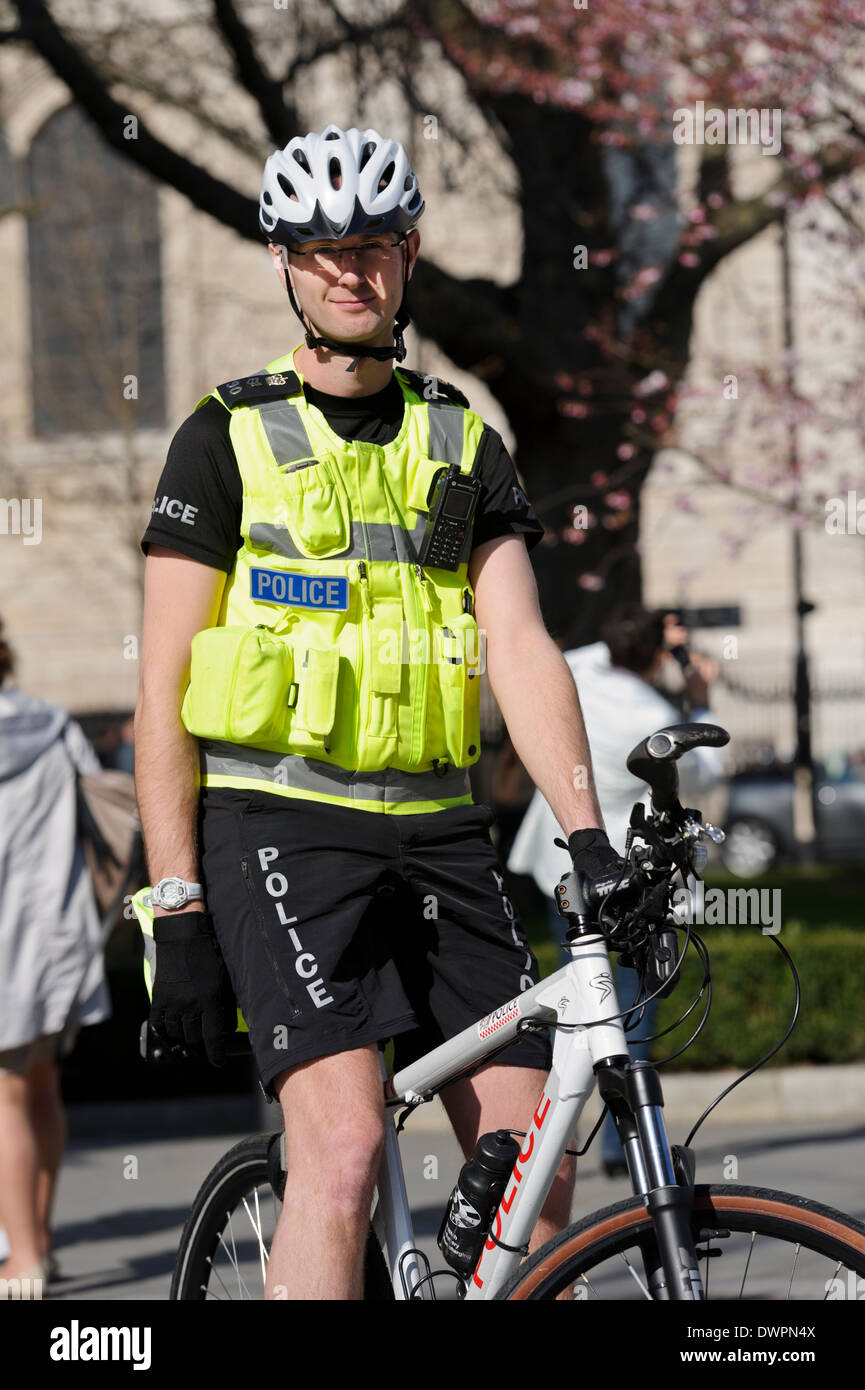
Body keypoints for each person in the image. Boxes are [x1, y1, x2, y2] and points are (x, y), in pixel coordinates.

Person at [134, 124, 624, 1300]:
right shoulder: (224, 439)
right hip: (278, 828)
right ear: (284, 265)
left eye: (369, 248)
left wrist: (588, 835)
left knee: (542, 1164)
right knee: (344, 1147)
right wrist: (176, 906)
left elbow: (519, 644)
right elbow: (161, 688)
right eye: (317, 251)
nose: (345, 271)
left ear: (408, 256)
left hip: (442, 830)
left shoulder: (462, 440)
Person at [508, 604, 723, 1173]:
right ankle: (622, 1144)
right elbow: (705, 776)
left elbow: (566, 656)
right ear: (653, 655)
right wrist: (698, 692)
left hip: (567, 866)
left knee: (577, 999)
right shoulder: (652, 714)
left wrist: (644, 638)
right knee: (635, 1006)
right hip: (636, 882)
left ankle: (560, 1128)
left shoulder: (576, 677)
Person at [0, 621, 110, 1293]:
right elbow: (104, 802)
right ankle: (38, 1239)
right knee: (41, 1085)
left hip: (6, 941)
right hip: (59, 932)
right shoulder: (51, 721)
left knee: (5, 1097)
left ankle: (25, 1259)